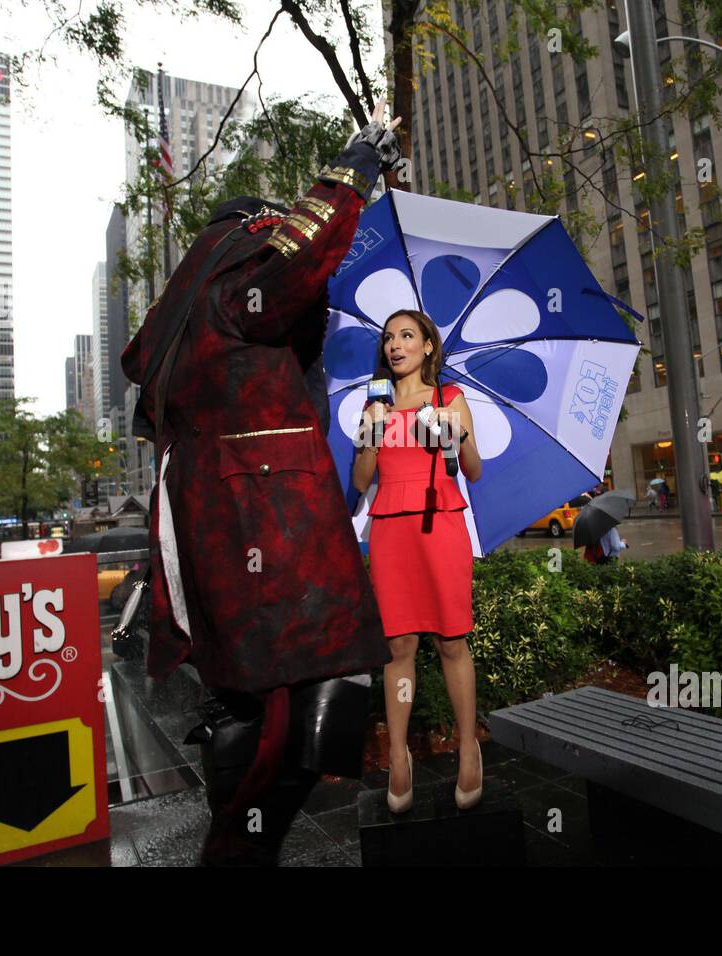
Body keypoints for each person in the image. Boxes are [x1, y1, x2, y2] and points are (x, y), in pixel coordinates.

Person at [119, 100, 404, 865]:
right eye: (265, 222)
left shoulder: (175, 315)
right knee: (325, 681)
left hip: (212, 519)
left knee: (246, 688)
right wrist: (351, 174)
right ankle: (242, 839)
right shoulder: (233, 267)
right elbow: (293, 265)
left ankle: (242, 835)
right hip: (268, 516)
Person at [351, 308, 484, 813]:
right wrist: (372, 433)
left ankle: (468, 745)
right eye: (388, 337)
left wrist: (456, 437)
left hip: (440, 524)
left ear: (428, 345)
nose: (394, 344)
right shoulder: (375, 405)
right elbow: (362, 481)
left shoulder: (452, 399)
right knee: (398, 645)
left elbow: (473, 471)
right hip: (391, 529)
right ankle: (400, 756)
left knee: (452, 641)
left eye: (407, 335)